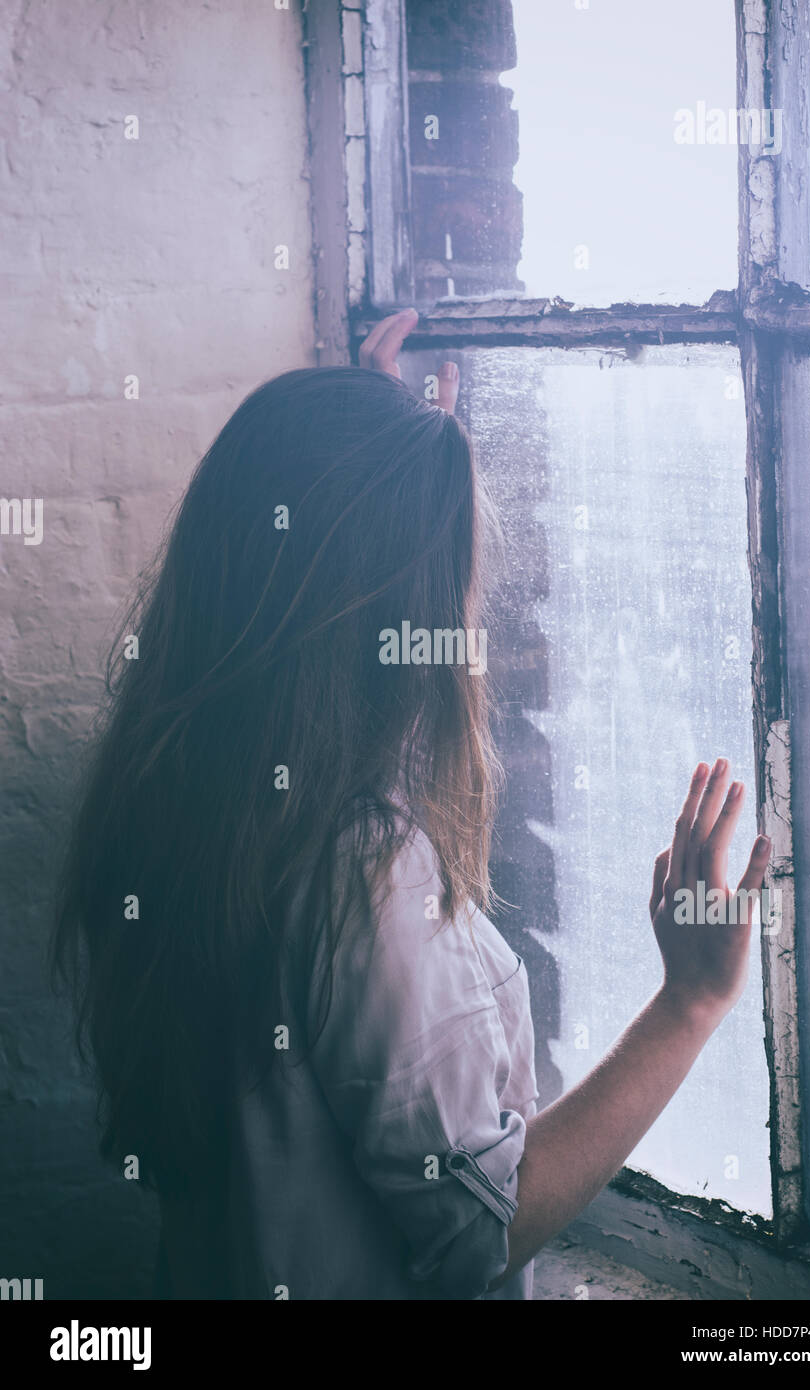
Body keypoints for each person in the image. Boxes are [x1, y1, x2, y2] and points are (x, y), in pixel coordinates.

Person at [53, 307, 772, 1300]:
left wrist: (362, 436)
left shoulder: (173, 784)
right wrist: (685, 1007)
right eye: (450, 576)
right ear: (391, 616)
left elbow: (287, 531)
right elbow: (480, 1231)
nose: (470, 607)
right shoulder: (367, 879)